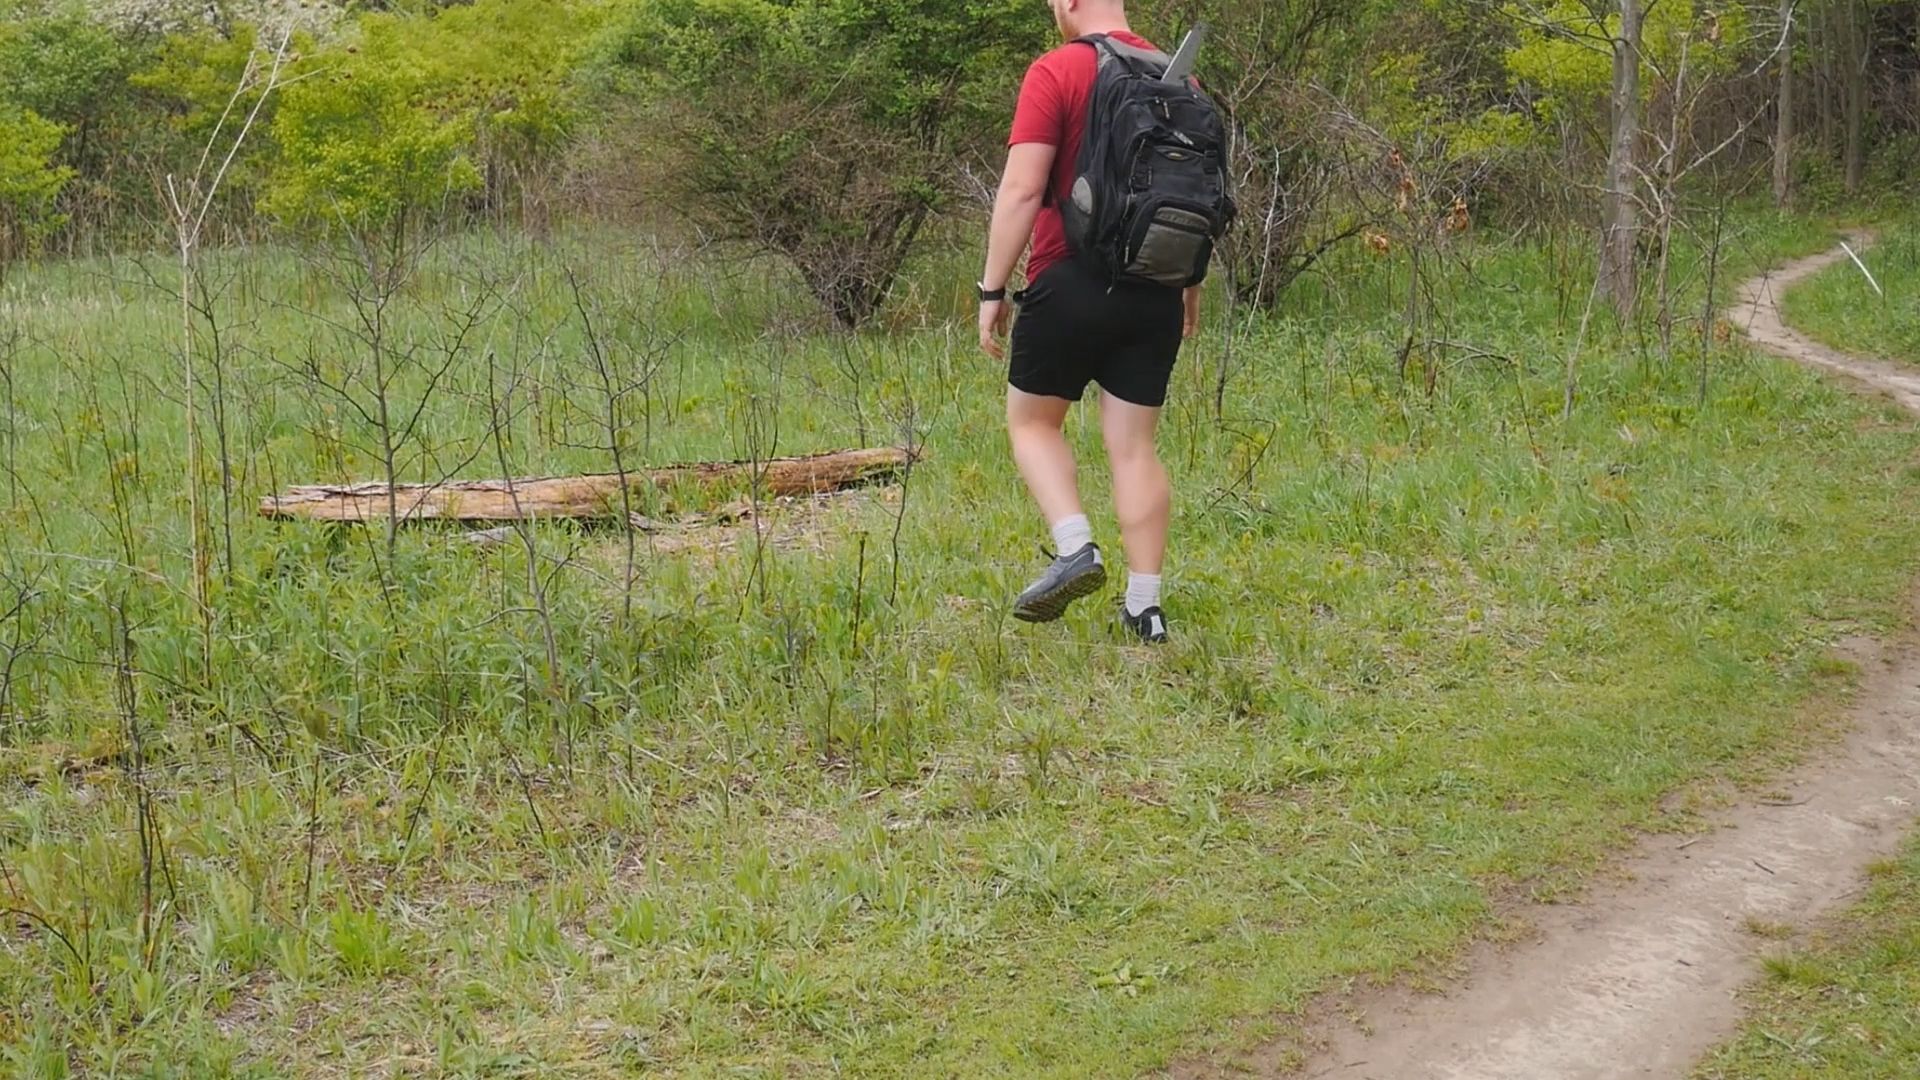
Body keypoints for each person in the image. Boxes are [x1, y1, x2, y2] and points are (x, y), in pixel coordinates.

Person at [977, 0, 1201, 645]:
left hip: (1068, 279)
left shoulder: (1057, 71)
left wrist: (992, 287)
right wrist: (1189, 287)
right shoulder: (1175, 74)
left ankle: (1076, 545)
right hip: (1155, 287)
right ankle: (1145, 605)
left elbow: (1022, 190)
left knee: (1033, 423)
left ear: (1070, 2)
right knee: (1134, 447)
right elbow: (1191, 192)